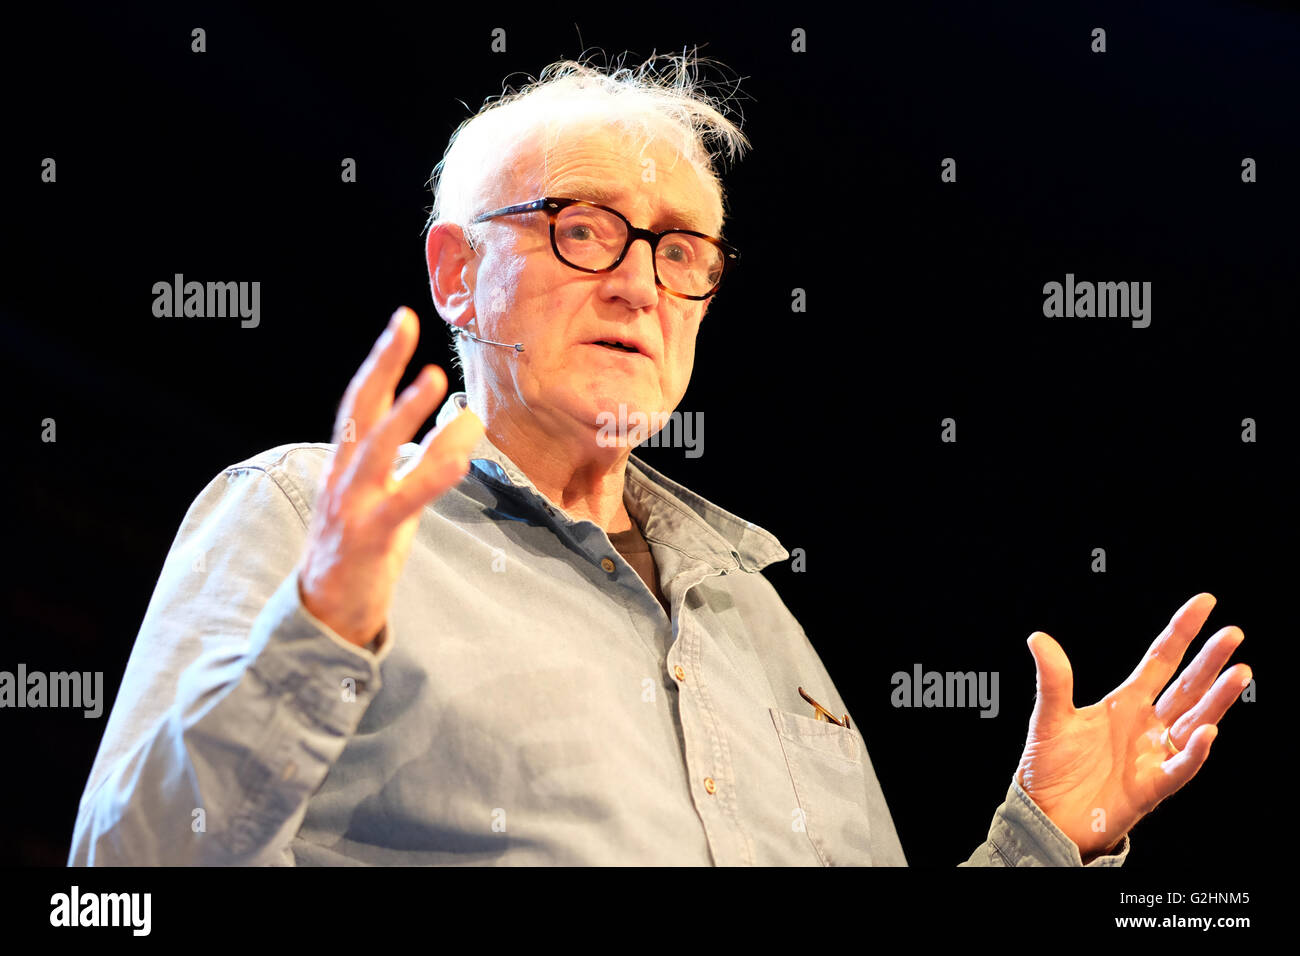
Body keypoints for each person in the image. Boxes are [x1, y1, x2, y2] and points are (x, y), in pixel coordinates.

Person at [68, 55, 1250, 866]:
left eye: (682, 250)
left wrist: (1040, 843)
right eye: (582, 228)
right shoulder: (305, 511)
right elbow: (125, 878)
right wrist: (323, 625)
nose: (638, 282)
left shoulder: (751, 613)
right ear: (457, 274)